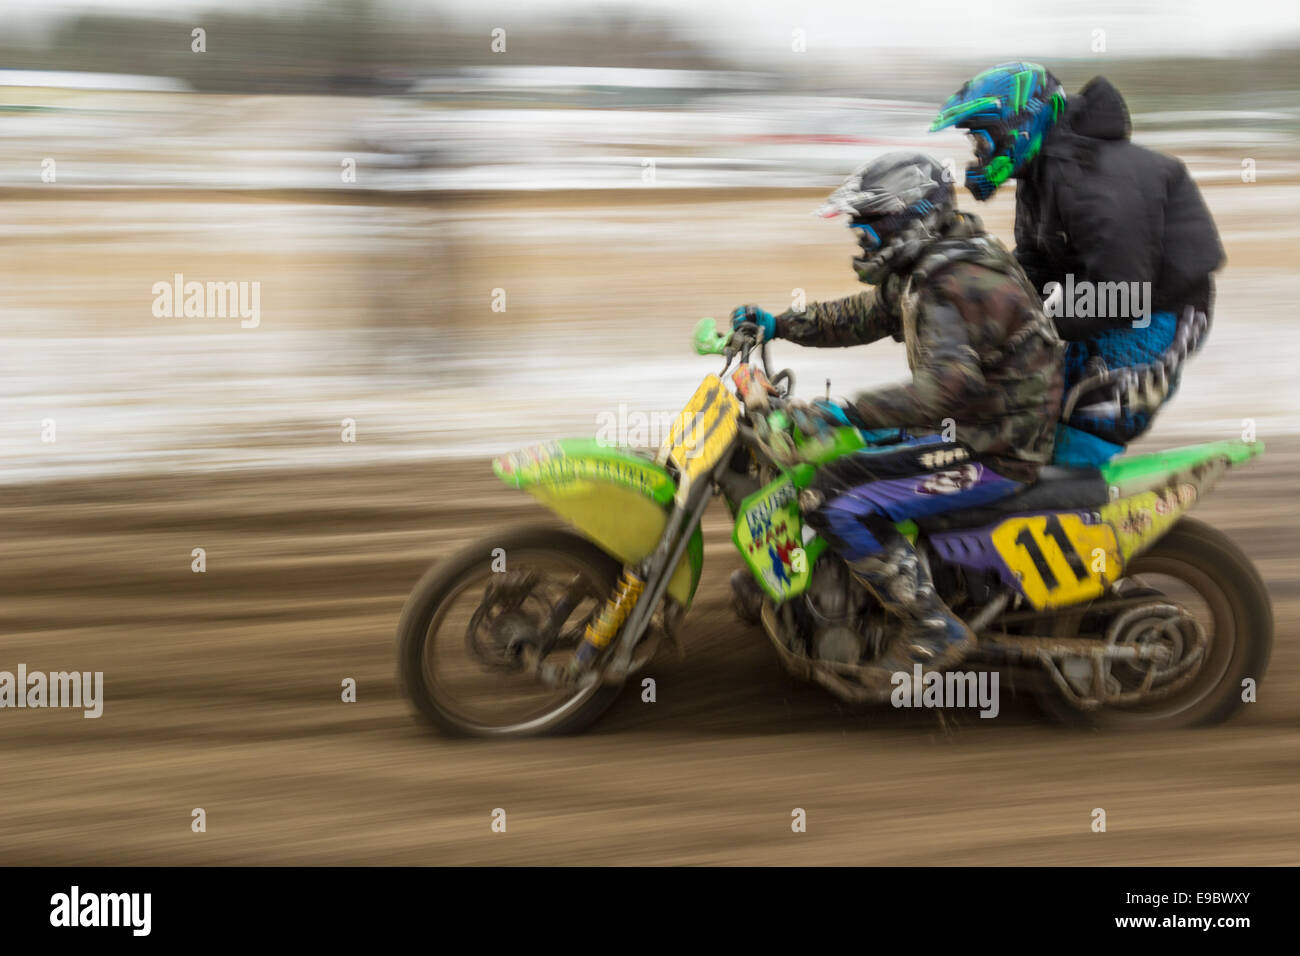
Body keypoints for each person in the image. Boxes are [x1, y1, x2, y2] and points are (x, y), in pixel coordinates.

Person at [728, 152, 1063, 676]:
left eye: (870, 226)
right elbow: (867, 314)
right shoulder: (938, 263)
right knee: (826, 463)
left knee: (832, 496)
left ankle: (931, 624)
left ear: (911, 216)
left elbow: (945, 390)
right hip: (980, 426)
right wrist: (780, 324)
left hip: (994, 448)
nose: (863, 239)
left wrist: (847, 412)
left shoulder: (951, 282)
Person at [930, 62, 1224, 464]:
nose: (978, 155)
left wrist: (1028, 324)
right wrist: (974, 304)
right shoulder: (1039, 172)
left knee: (1091, 412)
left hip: (1162, 309)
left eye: (981, 141)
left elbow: (1123, 296)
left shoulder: (1095, 181)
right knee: (1026, 404)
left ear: (1017, 125)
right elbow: (1034, 265)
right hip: (1098, 299)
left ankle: (1077, 506)